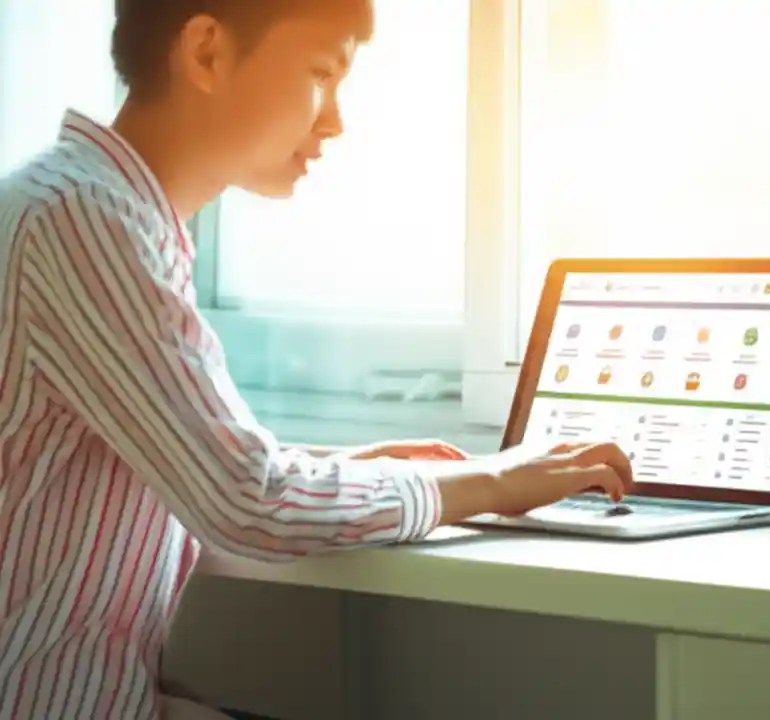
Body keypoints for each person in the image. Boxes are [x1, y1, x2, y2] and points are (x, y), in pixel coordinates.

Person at [0, 1, 634, 717]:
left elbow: (184, 458)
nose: (334, 120)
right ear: (207, 51)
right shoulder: (83, 222)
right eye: (320, 73)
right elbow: (248, 499)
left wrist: (369, 470)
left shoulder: (88, 208)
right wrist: (493, 480)